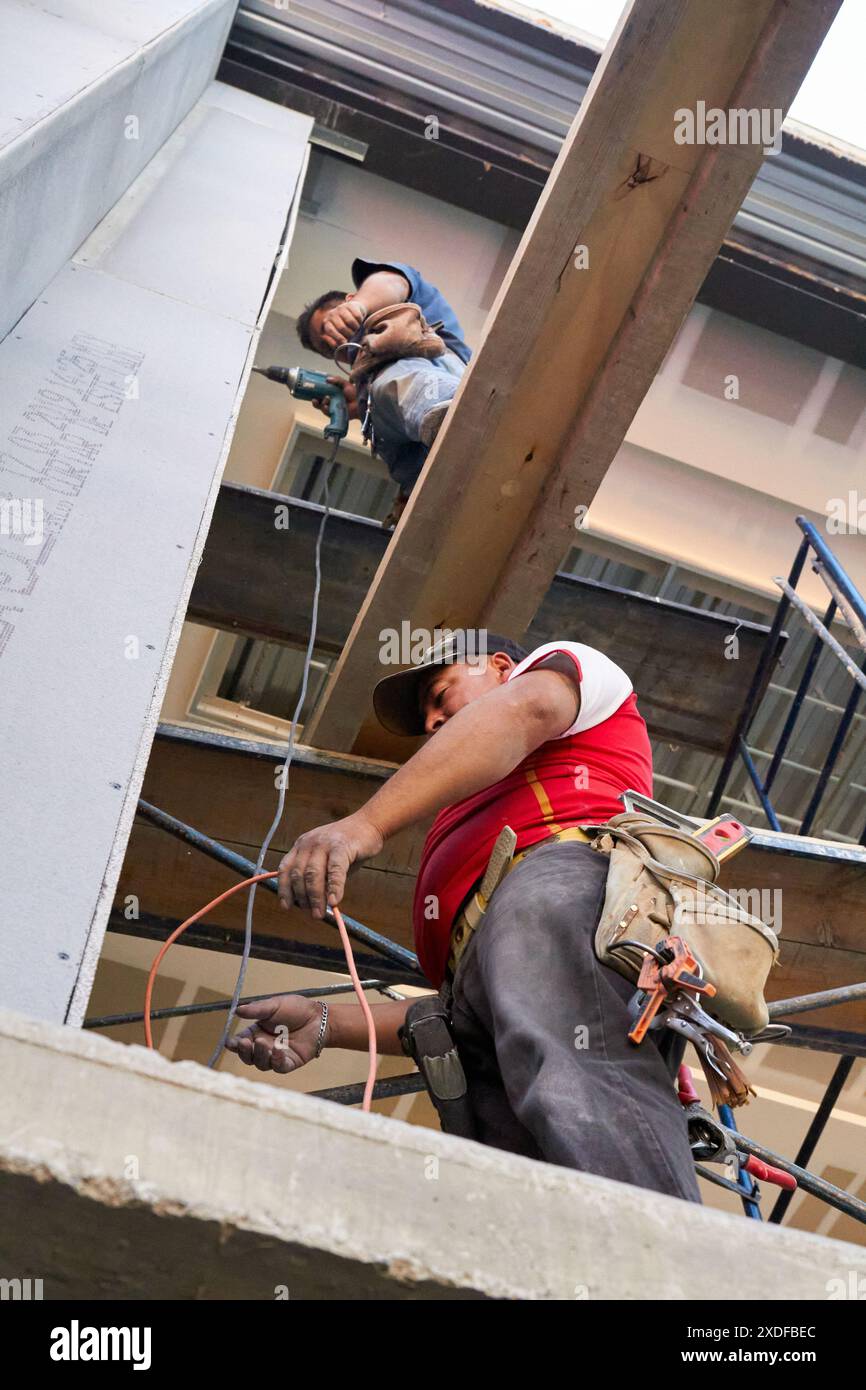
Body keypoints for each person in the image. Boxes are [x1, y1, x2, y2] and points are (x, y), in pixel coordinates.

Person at [225, 632, 701, 1204]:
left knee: (580, 1095)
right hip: (491, 980)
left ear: (500, 666)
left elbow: (526, 709)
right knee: (522, 1188)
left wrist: (365, 825)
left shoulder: (564, 673)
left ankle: (659, 1248)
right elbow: (466, 1015)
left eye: (440, 693)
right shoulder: (469, 811)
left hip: (566, 888)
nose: (432, 721)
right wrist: (327, 1022)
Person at [296, 259, 471, 522]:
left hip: (451, 386)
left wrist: (359, 306)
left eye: (328, 326)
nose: (332, 340)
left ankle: (454, 413)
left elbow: (391, 281)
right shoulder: (369, 388)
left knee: (387, 380)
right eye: (325, 347)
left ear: (350, 298)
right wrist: (361, 409)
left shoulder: (400, 301)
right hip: (450, 482)